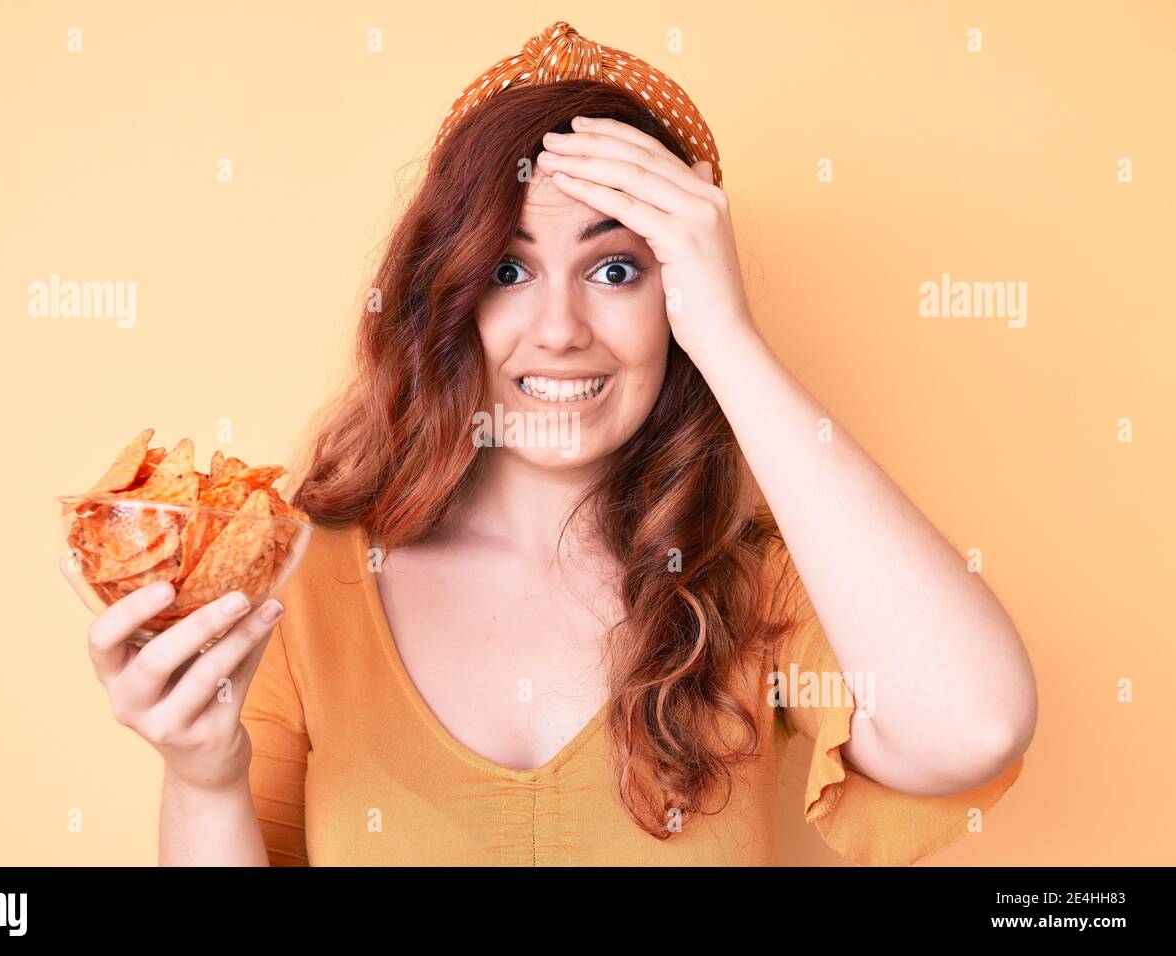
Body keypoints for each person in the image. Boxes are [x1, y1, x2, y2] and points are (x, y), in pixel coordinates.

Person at [74, 22, 1035, 866]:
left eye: (616, 268)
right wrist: (202, 778)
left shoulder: (759, 590)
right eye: (507, 268)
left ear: (679, 300)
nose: (561, 328)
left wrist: (730, 340)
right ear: (441, 297)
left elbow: (974, 726)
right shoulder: (303, 581)